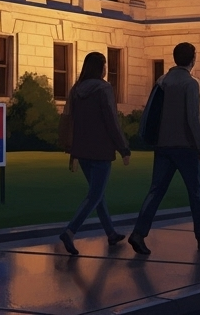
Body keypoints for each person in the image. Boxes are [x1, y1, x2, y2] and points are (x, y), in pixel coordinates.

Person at [127, 42, 200, 254]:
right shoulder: (191, 83)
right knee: (196, 192)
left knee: (156, 190)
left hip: (163, 145)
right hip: (186, 146)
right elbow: (193, 117)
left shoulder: (162, 81)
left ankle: (138, 233)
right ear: (193, 59)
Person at [58, 51, 132, 255]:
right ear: (101, 68)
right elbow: (111, 120)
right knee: (95, 195)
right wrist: (123, 147)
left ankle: (111, 233)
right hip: (100, 149)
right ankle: (70, 231)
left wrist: (72, 149)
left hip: (82, 149)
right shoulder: (104, 88)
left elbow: (71, 121)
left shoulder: (76, 89)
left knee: (98, 193)